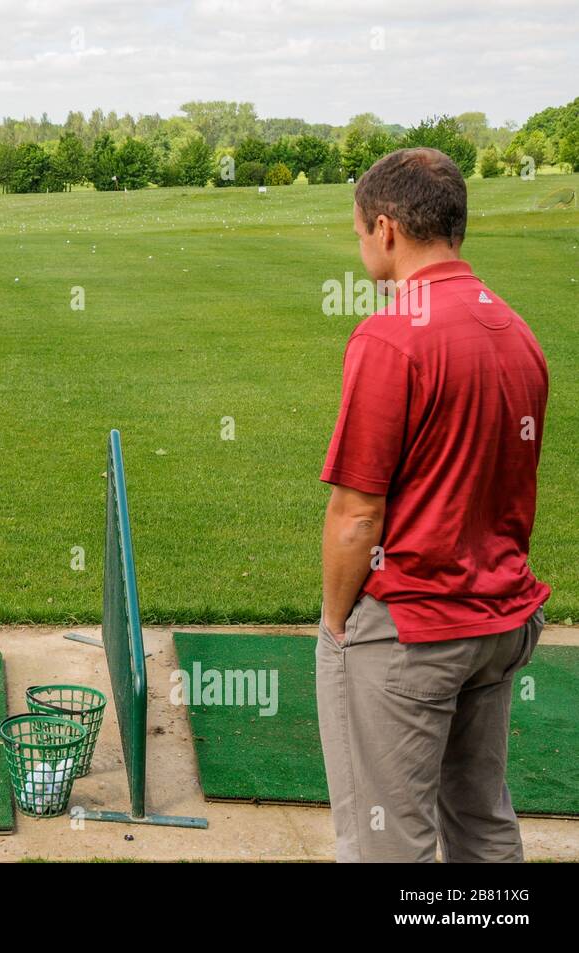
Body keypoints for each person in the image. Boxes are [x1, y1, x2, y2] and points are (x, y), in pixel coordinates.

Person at [317, 147, 549, 862]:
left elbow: (357, 513)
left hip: (414, 627)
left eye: (359, 232)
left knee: (391, 842)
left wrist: (335, 627)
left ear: (386, 229)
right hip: (499, 621)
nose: (361, 245)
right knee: (482, 822)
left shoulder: (390, 335)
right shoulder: (517, 331)